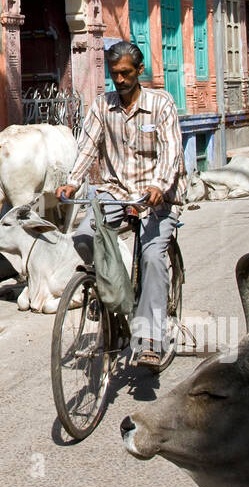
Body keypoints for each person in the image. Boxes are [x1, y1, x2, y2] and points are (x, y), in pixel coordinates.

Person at [55, 40, 187, 370]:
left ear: (139, 71)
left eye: (126, 73)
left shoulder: (162, 104)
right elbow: (87, 146)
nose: (120, 80)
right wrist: (73, 180)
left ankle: (150, 340)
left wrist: (158, 185)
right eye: (114, 74)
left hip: (157, 196)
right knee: (85, 236)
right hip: (115, 191)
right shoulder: (103, 106)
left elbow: (171, 152)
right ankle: (114, 292)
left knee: (152, 258)